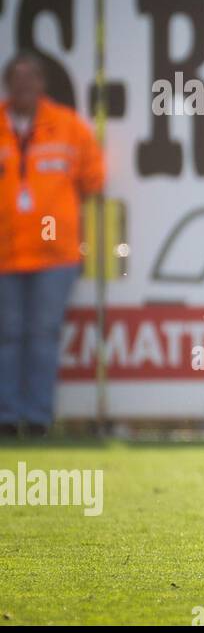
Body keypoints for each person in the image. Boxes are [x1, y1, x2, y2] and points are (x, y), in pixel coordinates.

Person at [0, 53, 106, 438]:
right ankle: (8, 417)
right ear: (8, 85)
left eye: (31, 81)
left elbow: (94, 178)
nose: (24, 88)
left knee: (44, 334)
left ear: (42, 86)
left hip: (54, 254)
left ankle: (39, 418)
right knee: (8, 335)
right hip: (6, 254)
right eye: (17, 81)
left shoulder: (67, 126)